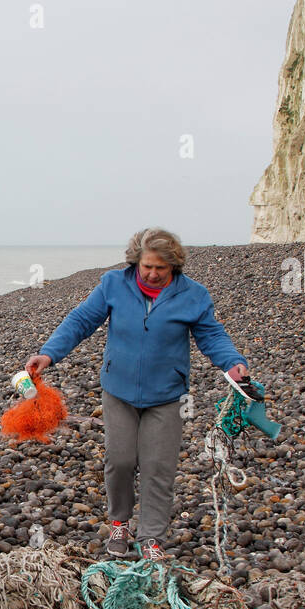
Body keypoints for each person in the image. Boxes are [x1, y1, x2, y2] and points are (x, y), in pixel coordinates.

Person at [25, 227, 249, 561]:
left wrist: (233, 363)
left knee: (159, 466)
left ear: (174, 265)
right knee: (120, 460)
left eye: (162, 268)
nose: (154, 273)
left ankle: (152, 538)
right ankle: (120, 522)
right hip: (119, 390)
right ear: (136, 261)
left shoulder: (194, 295)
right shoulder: (114, 284)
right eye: (148, 266)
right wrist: (49, 353)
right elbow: (82, 320)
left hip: (167, 395)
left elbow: (211, 336)